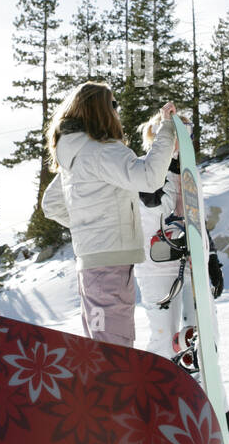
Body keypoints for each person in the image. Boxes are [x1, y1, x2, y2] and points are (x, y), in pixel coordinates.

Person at [40, 84, 177, 348]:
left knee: (101, 343)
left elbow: (52, 204)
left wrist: (91, 224)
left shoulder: (75, 155)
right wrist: (167, 131)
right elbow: (149, 178)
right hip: (109, 266)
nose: (117, 111)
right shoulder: (102, 151)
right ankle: (114, 390)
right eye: (114, 105)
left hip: (93, 265)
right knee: (113, 348)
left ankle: (107, 388)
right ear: (100, 110)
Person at [134, 114, 229, 431]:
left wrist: (211, 258)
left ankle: (216, 407)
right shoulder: (147, 171)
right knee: (164, 337)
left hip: (191, 261)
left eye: (187, 133)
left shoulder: (189, 173)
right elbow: (157, 210)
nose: (184, 140)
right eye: (176, 133)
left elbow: (195, 219)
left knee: (206, 333)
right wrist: (167, 168)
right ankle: (153, 407)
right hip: (158, 265)